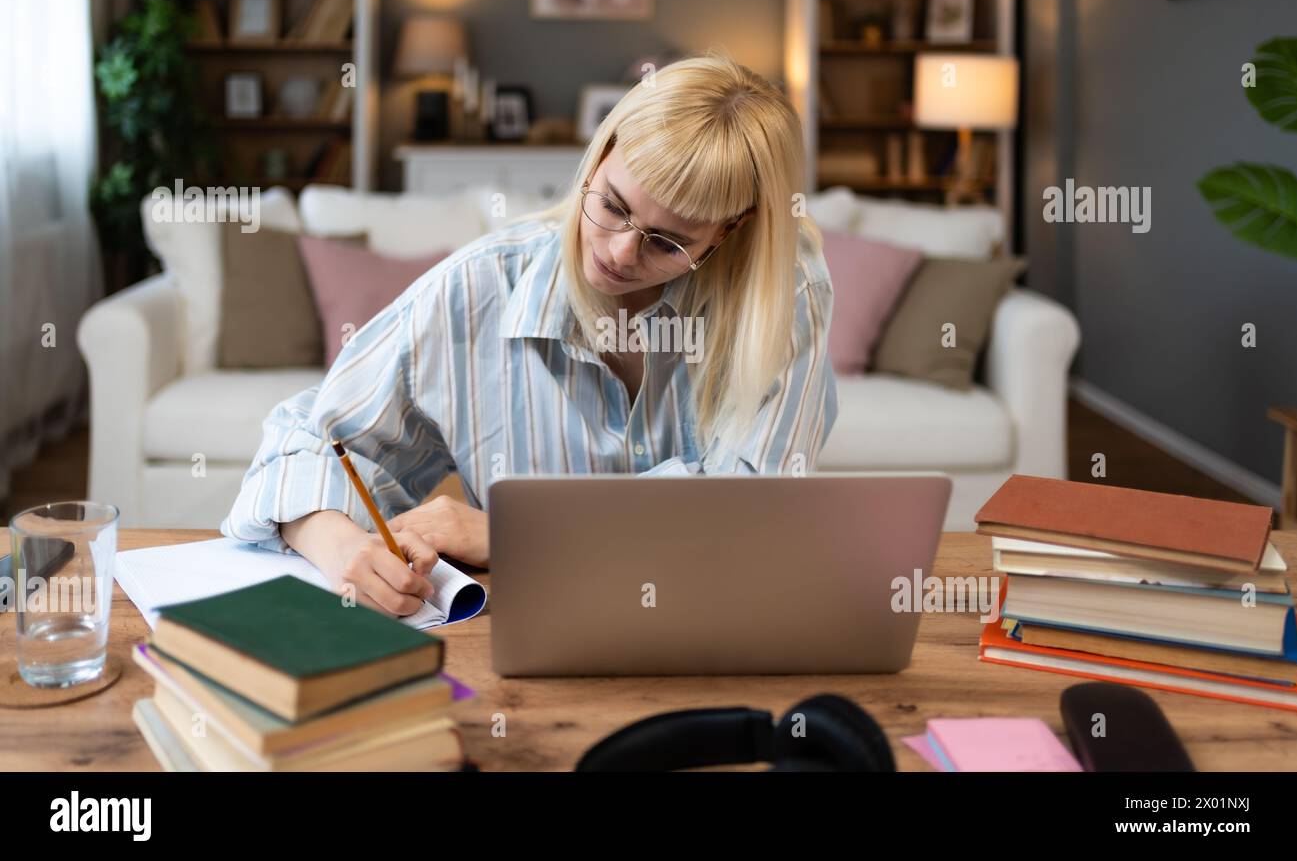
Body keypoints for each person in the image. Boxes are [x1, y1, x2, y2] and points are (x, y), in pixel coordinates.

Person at [220, 53, 837, 617]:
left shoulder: (786, 294)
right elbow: (307, 442)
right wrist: (341, 547)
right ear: (598, 158)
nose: (621, 254)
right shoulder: (480, 286)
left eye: (668, 242)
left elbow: (754, 510)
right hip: (525, 638)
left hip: (713, 625)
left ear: (727, 233)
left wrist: (510, 533)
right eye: (614, 206)